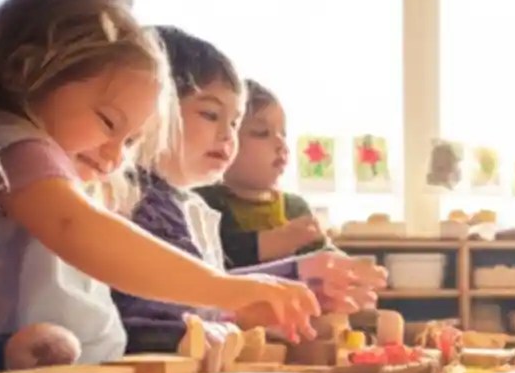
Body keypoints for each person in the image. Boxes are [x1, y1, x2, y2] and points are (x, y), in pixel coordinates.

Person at [0, 0, 320, 366]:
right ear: (26, 72)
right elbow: (75, 227)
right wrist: (225, 290)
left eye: (131, 141)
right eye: (107, 122)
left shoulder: (69, 175)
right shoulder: (12, 143)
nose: (115, 156)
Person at [116, 27, 378, 353]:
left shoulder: (188, 204)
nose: (228, 137)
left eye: (235, 124)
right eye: (211, 114)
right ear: (151, 108)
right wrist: (230, 325)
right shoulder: (137, 202)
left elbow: (212, 290)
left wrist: (299, 274)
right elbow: (156, 321)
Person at [196, 79, 330, 268]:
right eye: (261, 133)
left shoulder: (295, 208)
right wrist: (266, 244)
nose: (280, 144)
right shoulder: (203, 203)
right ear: (227, 140)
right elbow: (208, 258)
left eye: (283, 134)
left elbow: (323, 259)